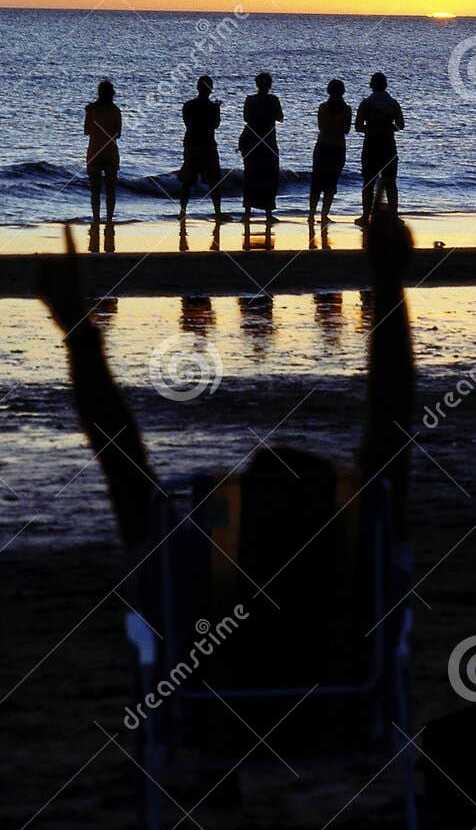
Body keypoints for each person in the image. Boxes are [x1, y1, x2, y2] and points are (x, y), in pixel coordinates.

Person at [39, 212, 416, 552]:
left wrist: (77, 328)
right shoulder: (365, 567)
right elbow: (391, 420)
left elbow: (120, 457)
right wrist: (388, 280)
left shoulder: (191, 586)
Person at [354, 71, 404, 225]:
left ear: (371, 86)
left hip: (371, 145)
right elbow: (401, 125)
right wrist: (388, 127)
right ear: (386, 85)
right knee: (390, 182)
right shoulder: (393, 103)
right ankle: (393, 216)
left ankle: (365, 216)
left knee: (368, 181)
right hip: (388, 144)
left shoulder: (366, 104)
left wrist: (372, 128)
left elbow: (357, 127)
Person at [178, 76, 224, 222]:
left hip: (192, 145)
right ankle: (217, 212)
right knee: (214, 181)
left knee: (187, 181)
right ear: (210, 89)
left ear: (198, 88)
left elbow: (187, 123)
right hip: (208, 145)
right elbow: (215, 125)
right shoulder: (212, 108)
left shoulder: (188, 105)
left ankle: (182, 211)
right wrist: (217, 110)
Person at [240, 71, 284, 218]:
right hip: (268, 143)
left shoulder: (250, 100)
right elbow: (280, 118)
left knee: (251, 175)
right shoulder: (273, 100)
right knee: (269, 176)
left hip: (252, 142)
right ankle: (268, 212)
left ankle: (247, 211)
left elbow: (246, 118)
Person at [309, 79, 352, 223]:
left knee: (317, 182)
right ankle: (324, 214)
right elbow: (346, 130)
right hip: (337, 147)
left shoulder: (322, 107)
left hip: (322, 146)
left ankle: (311, 214)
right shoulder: (346, 110)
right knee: (331, 183)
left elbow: (321, 127)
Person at [84, 80, 122, 225]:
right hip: (110, 151)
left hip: (94, 150)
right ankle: (110, 219)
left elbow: (86, 130)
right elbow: (118, 134)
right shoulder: (116, 110)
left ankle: (96, 219)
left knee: (95, 189)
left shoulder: (91, 110)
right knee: (110, 189)